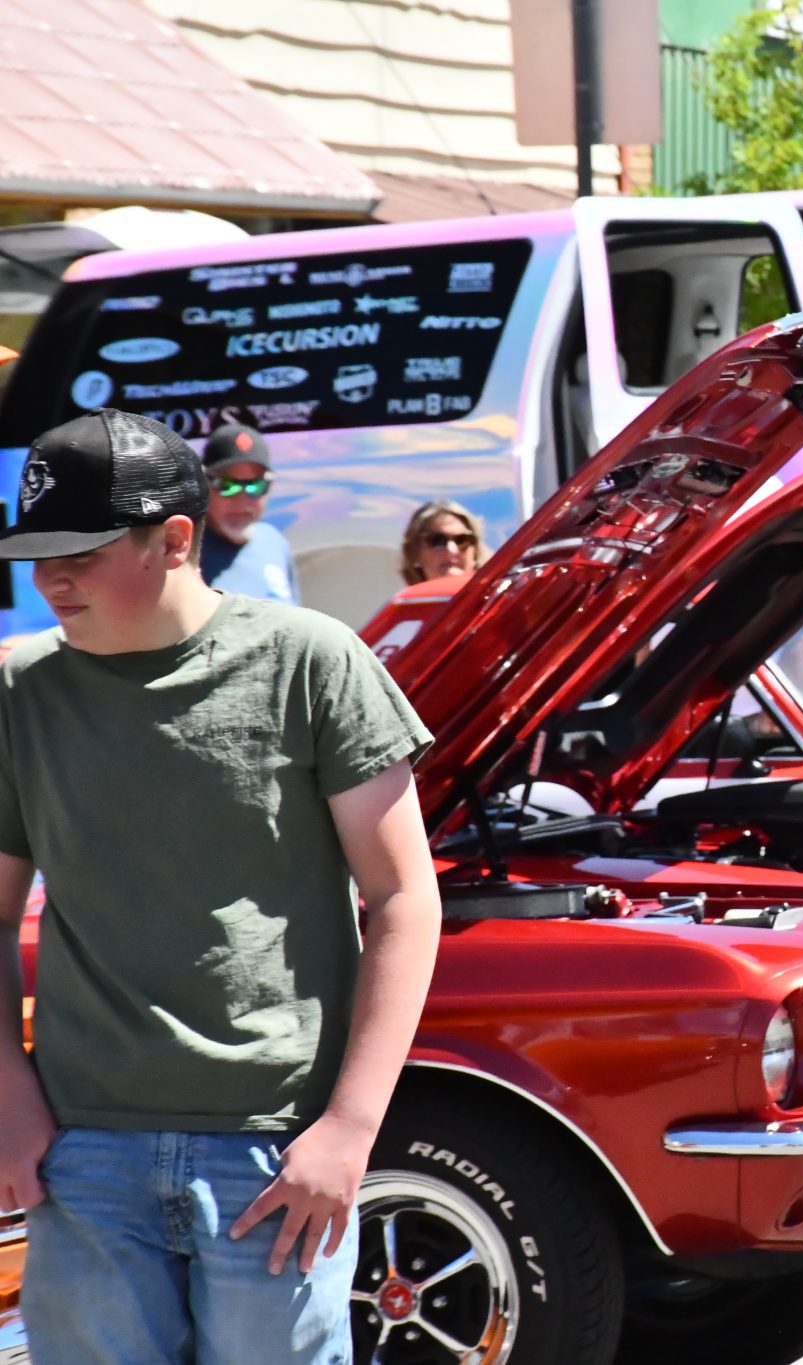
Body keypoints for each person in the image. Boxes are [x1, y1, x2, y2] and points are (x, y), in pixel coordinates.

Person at [0, 410, 442, 1363]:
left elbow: (406, 898)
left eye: (78, 550)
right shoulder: (17, 692)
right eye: (34, 553)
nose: (50, 579)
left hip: (277, 1152)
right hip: (82, 1153)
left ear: (175, 539)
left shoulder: (310, 660)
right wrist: (9, 1094)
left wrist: (350, 1129)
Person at [197, 422, 299, 603]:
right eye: (227, 486)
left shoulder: (273, 541)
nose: (243, 501)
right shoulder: (184, 555)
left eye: (256, 485)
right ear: (204, 485)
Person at [400, 499, 487, 585]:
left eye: (462, 540)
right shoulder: (404, 599)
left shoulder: (496, 598)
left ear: (475, 552)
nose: (452, 550)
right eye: (437, 541)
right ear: (414, 552)